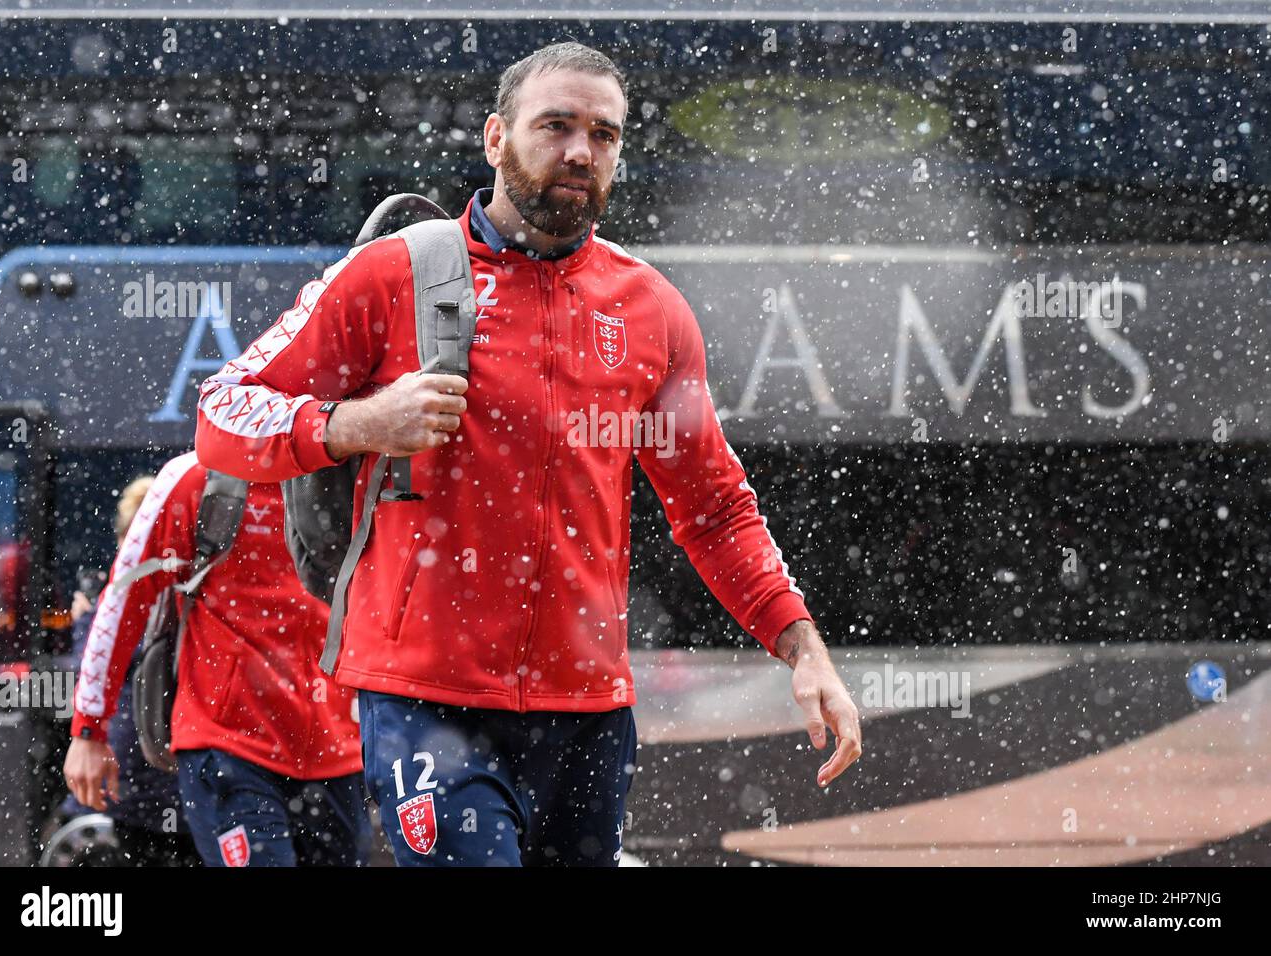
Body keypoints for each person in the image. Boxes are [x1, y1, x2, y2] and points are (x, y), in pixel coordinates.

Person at [195, 41, 861, 867]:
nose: (581, 151)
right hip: (426, 701)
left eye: (604, 134)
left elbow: (715, 506)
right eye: (556, 126)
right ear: (494, 138)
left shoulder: (652, 310)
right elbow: (221, 411)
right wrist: (353, 424)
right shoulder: (390, 274)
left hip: (589, 713)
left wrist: (802, 647)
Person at [63, 451, 371, 866]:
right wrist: (88, 729)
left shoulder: (357, 467)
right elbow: (122, 602)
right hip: (229, 746)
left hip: (338, 751)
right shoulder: (194, 479)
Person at [61, 475, 199, 865]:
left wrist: (85, 624)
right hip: (178, 768)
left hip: (139, 768)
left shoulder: (138, 595)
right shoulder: (195, 587)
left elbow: (101, 667)